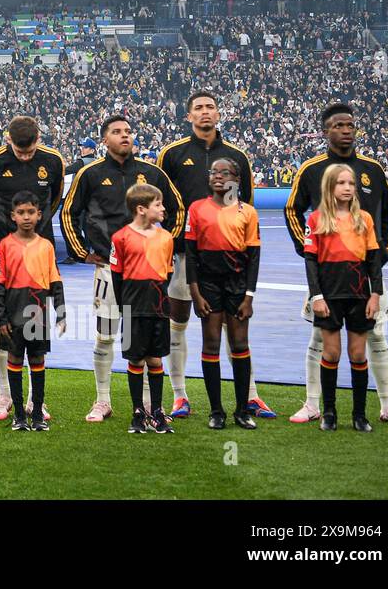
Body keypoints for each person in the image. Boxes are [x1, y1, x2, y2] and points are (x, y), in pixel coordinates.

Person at [284, 102, 388, 427]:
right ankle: (314, 405)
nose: (345, 130)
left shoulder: (372, 168)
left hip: (366, 273)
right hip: (328, 274)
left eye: (349, 125)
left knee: (377, 337)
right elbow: (291, 210)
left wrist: (382, 252)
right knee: (321, 339)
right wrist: (309, 250)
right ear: (326, 131)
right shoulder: (311, 169)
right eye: (338, 125)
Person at [157, 91, 272, 420]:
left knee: (231, 329)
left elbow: (244, 206)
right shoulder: (172, 154)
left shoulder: (237, 156)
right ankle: (180, 395)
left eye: (210, 107)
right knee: (177, 324)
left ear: (218, 113)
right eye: (198, 108)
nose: (205, 112)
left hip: (230, 263)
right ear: (188, 116)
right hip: (183, 255)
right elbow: (160, 201)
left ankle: (249, 396)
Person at [61, 114, 183, 423]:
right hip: (107, 268)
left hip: (147, 273)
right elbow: (68, 213)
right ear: (104, 140)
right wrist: (81, 252)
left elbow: (177, 210)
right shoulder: (89, 174)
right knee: (105, 335)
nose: (124, 136)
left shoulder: (151, 173)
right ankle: (102, 400)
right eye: (116, 132)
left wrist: (163, 245)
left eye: (128, 131)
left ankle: (146, 405)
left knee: (140, 339)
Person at [0, 115, 64, 422]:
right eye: (19, 150)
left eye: (29, 151)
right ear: (7, 139)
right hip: (2, 248)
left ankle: (34, 400)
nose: (24, 156)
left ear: (39, 138)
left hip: (41, 250)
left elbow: (55, 198)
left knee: (38, 318)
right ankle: (4, 395)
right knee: (3, 317)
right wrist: (6, 228)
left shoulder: (53, 161)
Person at [303, 164, 383, 432]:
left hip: (359, 295)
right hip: (329, 295)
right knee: (332, 352)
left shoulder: (365, 219)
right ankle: (329, 412)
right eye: (341, 183)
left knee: (358, 354)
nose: (348, 188)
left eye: (351, 183)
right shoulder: (315, 220)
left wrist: (375, 295)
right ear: (330, 187)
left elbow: (374, 262)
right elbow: (311, 262)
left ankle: (359, 415)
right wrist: (316, 296)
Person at [184, 158, 260, 430]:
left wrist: (249, 296)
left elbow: (254, 257)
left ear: (236, 179)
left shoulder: (248, 212)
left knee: (239, 344)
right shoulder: (196, 209)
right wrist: (195, 293)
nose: (217, 176)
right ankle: (216, 411)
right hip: (208, 285)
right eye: (213, 172)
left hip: (238, 285)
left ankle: (242, 410)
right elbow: (190, 255)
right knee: (211, 344)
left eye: (224, 172)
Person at [0, 191, 65, 432]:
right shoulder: (4, 245)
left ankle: (37, 413)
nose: (26, 217)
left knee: (36, 360)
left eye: (30, 212)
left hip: (38, 313)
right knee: (14, 359)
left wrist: (61, 313)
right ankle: (19, 414)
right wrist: (1, 318)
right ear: (13, 216)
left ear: (39, 215)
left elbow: (55, 281)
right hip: (13, 313)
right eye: (21, 213)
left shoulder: (46, 246)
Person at [109, 183, 176, 434]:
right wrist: (123, 307)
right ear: (141, 209)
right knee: (136, 359)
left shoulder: (166, 238)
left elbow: (166, 274)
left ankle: (157, 411)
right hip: (133, 307)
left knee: (156, 359)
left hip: (159, 307)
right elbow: (117, 276)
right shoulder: (121, 237)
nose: (163, 208)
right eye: (157, 204)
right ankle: (138, 411)